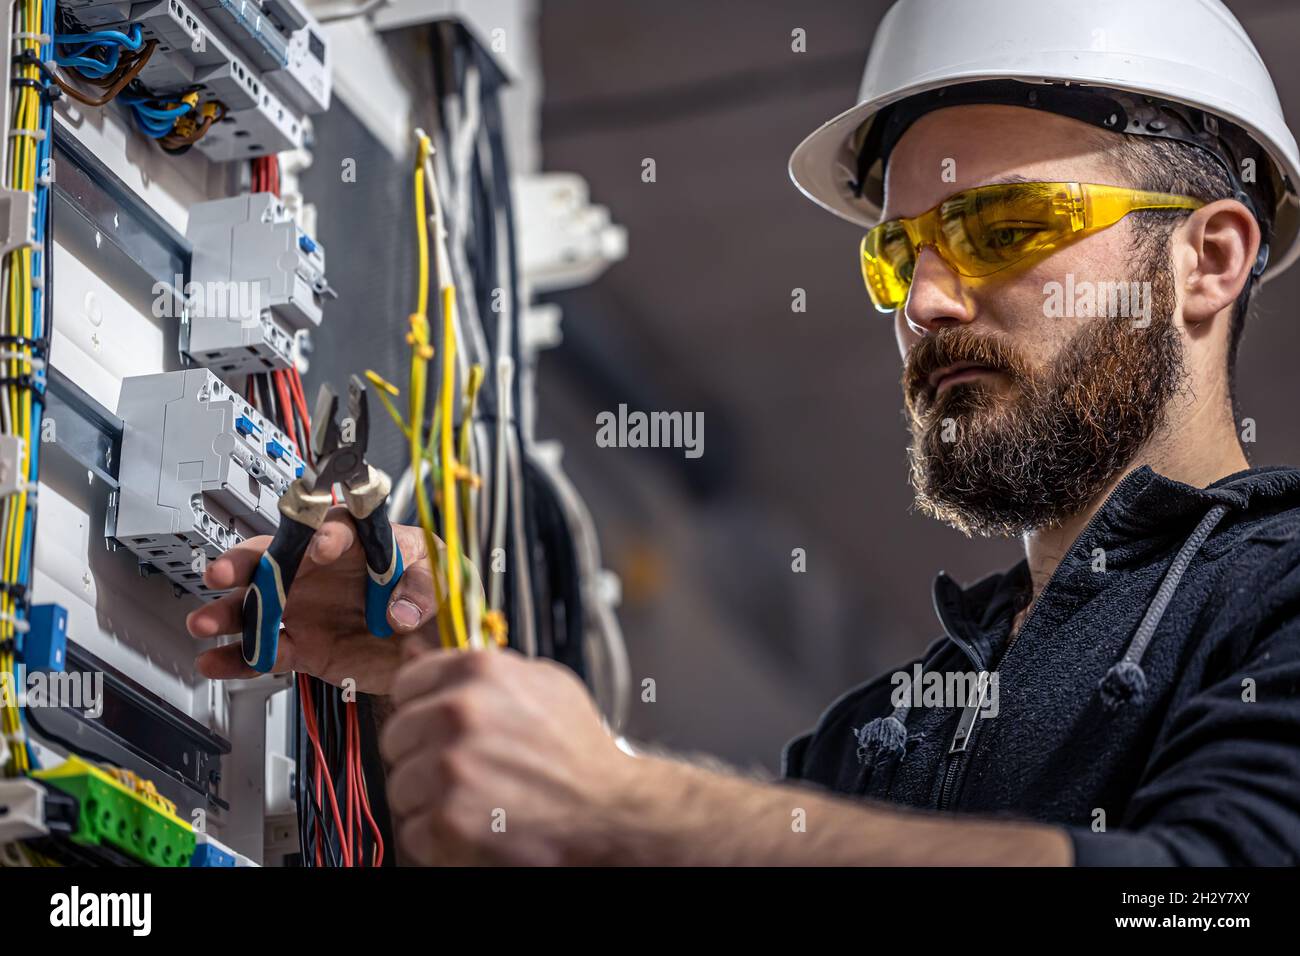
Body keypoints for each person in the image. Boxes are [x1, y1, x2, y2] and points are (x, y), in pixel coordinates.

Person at [186, 0, 1300, 865]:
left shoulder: (1274, 602)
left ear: (1207, 260)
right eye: (897, 252)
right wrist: (421, 697)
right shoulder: (874, 740)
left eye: (1002, 225)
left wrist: (624, 802)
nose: (925, 301)